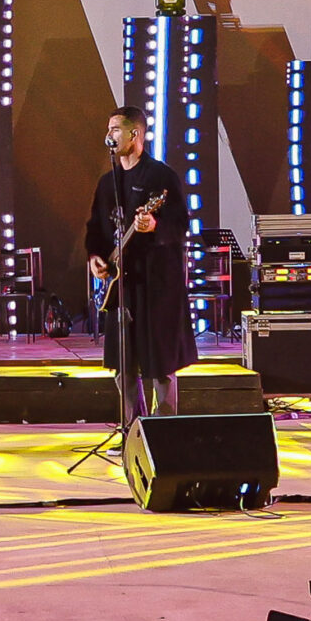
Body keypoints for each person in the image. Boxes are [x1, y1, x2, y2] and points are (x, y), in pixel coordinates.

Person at [85, 106, 196, 423]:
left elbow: (180, 222)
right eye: (108, 128)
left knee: (159, 367)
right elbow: (96, 228)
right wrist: (96, 257)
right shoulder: (108, 183)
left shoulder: (161, 176)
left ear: (135, 134)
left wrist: (155, 226)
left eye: (116, 129)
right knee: (124, 366)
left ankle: (165, 430)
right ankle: (132, 430)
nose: (109, 135)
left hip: (157, 284)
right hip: (122, 287)